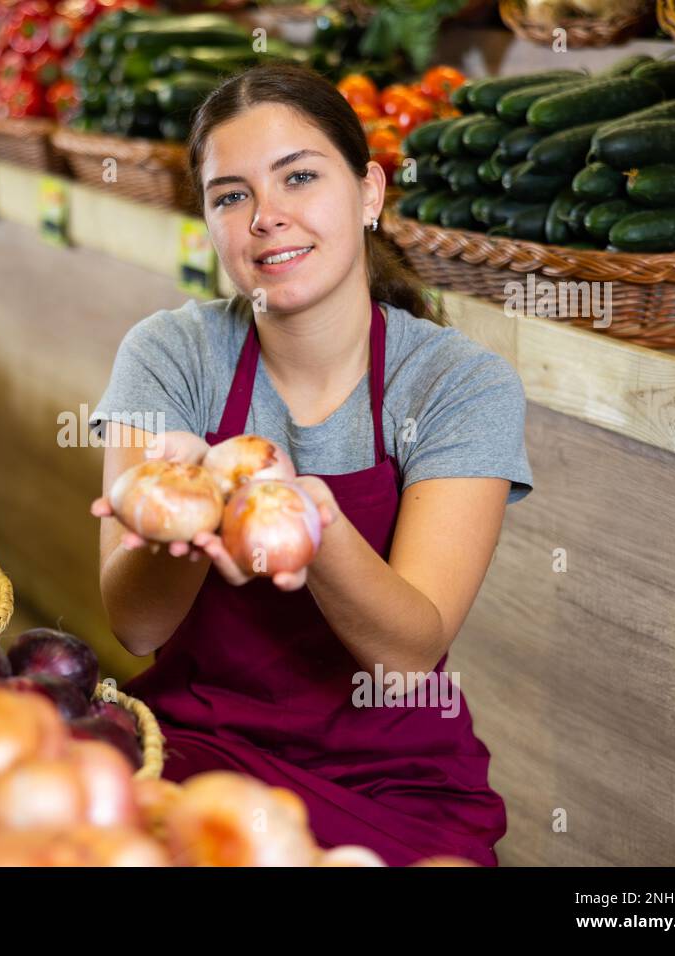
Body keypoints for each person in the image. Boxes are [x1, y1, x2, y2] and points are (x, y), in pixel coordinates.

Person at [89, 64, 534, 866]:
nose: (267, 217)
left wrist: (307, 516)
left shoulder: (458, 384)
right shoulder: (170, 356)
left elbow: (405, 659)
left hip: (398, 786)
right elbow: (135, 624)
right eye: (230, 195)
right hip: (196, 750)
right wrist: (181, 513)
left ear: (368, 192)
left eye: (299, 177)